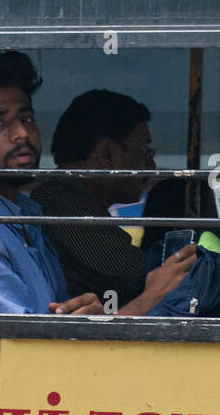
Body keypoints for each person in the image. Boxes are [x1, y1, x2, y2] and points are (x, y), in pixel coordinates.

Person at [0, 53, 192, 315]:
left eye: (26, 118)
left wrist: (86, 317)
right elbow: (21, 352)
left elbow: (51, 325)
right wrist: (149, 299)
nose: (21, 133)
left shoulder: (26, 215)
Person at [33, 89, 195, 312]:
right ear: (107, 154)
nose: (152, 166)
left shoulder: (72, 200)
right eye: (145, 151)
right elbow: (139, 277)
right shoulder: (62, 204)